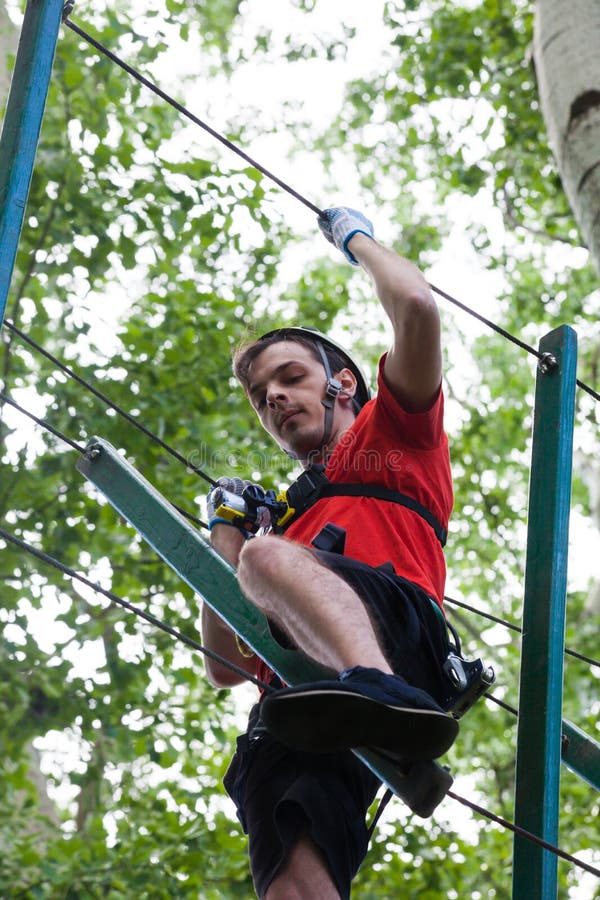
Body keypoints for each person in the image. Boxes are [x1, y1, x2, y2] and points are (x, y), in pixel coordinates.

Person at [201, 207, 458, 900]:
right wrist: (224, 530)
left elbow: (414, 306)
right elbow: (225, 665)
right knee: (293, 890)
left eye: (289, 377)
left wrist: (354, 237)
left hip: (395, 632)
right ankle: (365, 695)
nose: (275, 398)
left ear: (341, 381)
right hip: (303, 702)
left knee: (266, 562)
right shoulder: (284, 521)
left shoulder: (392, 432)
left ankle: (380, 691)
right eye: (261, 397)